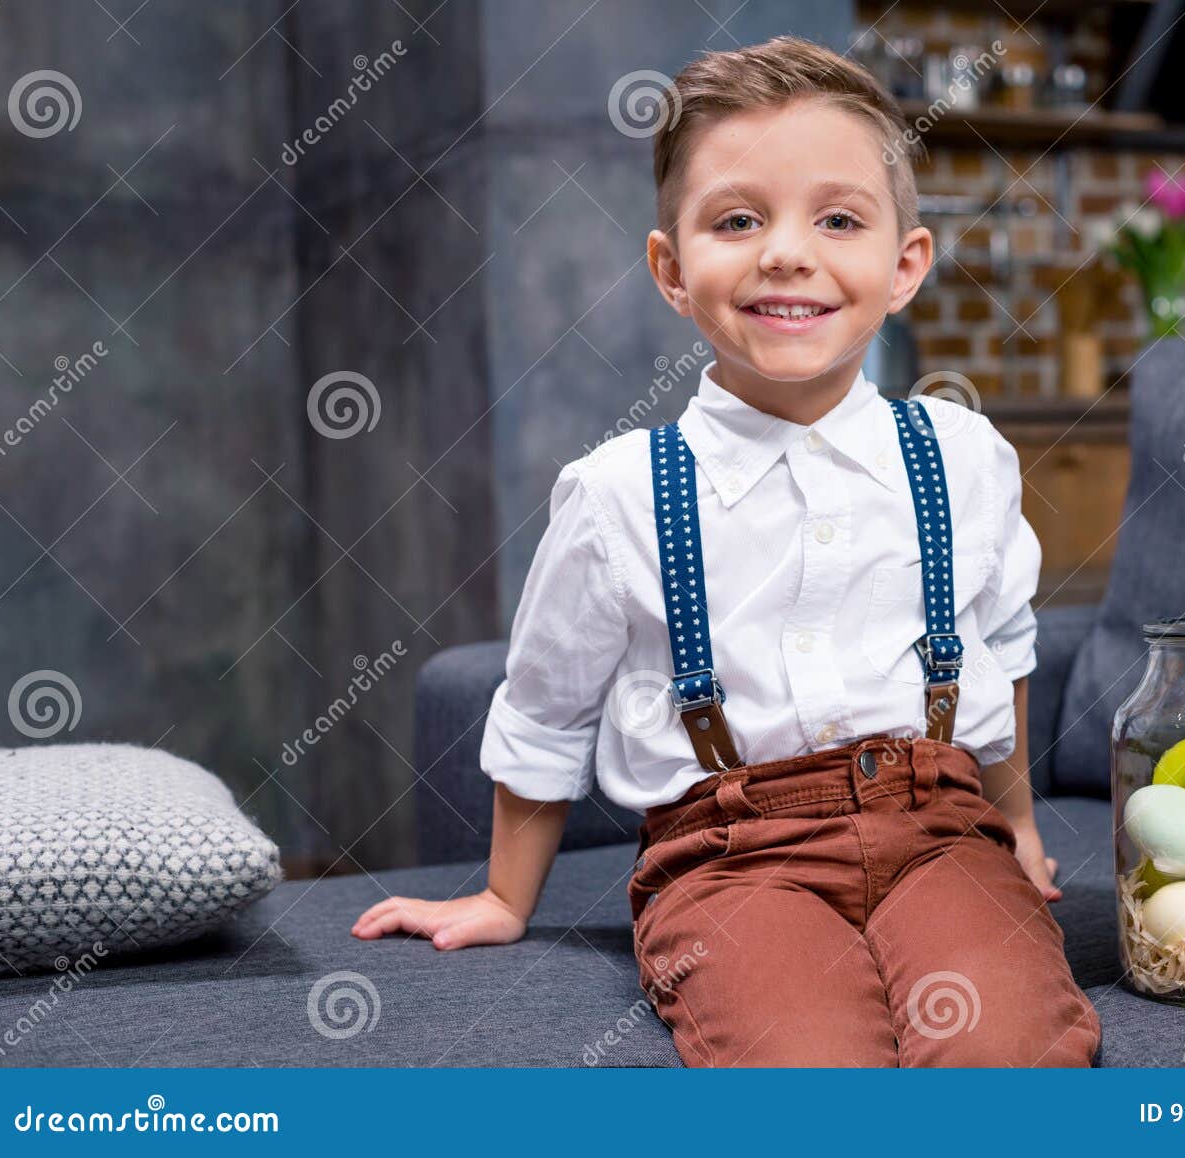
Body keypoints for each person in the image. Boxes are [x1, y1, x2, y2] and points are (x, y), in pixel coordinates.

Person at [353, 34, 1102, 1068]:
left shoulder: (963, 457)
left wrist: (1014, 831)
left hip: (939, 831)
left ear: (904, 266)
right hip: (729, 858)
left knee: (1013, 1052)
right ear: (672, 268)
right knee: (803, 1066)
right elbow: (543, 709)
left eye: (837, 219)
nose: (785, 252)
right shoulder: (617, 494)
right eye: (737, 220)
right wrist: (500, 896)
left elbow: (1000, 653)